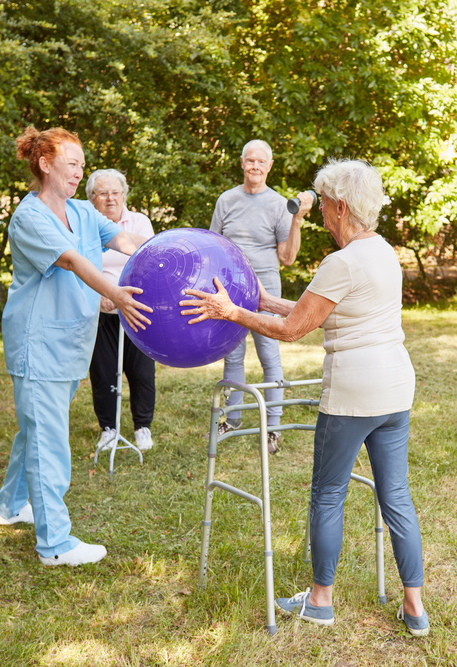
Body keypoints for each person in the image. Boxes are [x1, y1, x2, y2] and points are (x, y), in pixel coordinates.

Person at [181, 159, 429, 636]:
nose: (321, 216)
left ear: (341, 207)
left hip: (354, 392)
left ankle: (320, 600)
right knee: (396, 494)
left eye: (325, 206)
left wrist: (231, 313)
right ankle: (415, 608)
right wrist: (258, 300)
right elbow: (315, 310)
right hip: (396, 388)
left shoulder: (342, 262)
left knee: (328, 493)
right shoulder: (382, 252)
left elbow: (293, 330)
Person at [0, 127, 152, 567]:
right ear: (45, 164)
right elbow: (73, 260)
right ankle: (55, 545)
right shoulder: (30, 217)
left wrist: (172, 252)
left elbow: (126, 241)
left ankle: (10, 507)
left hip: (68, 345)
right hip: (38, 344)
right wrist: (116, 294)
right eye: (72, 164)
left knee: (36, 429)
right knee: (48, 441)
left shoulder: (82, 211)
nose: (80, 172)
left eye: (82, 165)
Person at [209, 139, 314, 453]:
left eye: (261, 161)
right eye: (250, 160)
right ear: (242, 163)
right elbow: (213, 245)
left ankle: (274, 426)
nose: (255, 166)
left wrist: (296, 219)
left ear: (270, 166)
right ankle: (233, 419)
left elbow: (288, 257)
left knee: (269, 353)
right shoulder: (226, 200)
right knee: (233, 354)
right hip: (229, 285)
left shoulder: (280, 204)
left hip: (265, 286)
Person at [86, 169, 157, 453]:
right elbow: (79, 267)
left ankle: (142, 426)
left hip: (136, 307)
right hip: (100, 310)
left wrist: (123, 295)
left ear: (124, 195)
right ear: (92, 198)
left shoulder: (139, 222)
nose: (110, 198)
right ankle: (108, 428)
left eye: (115, 192)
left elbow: (150, 263)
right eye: (103, 193)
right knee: (103, 373)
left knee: (141, 373)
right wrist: (100, 296)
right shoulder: (86, 227)